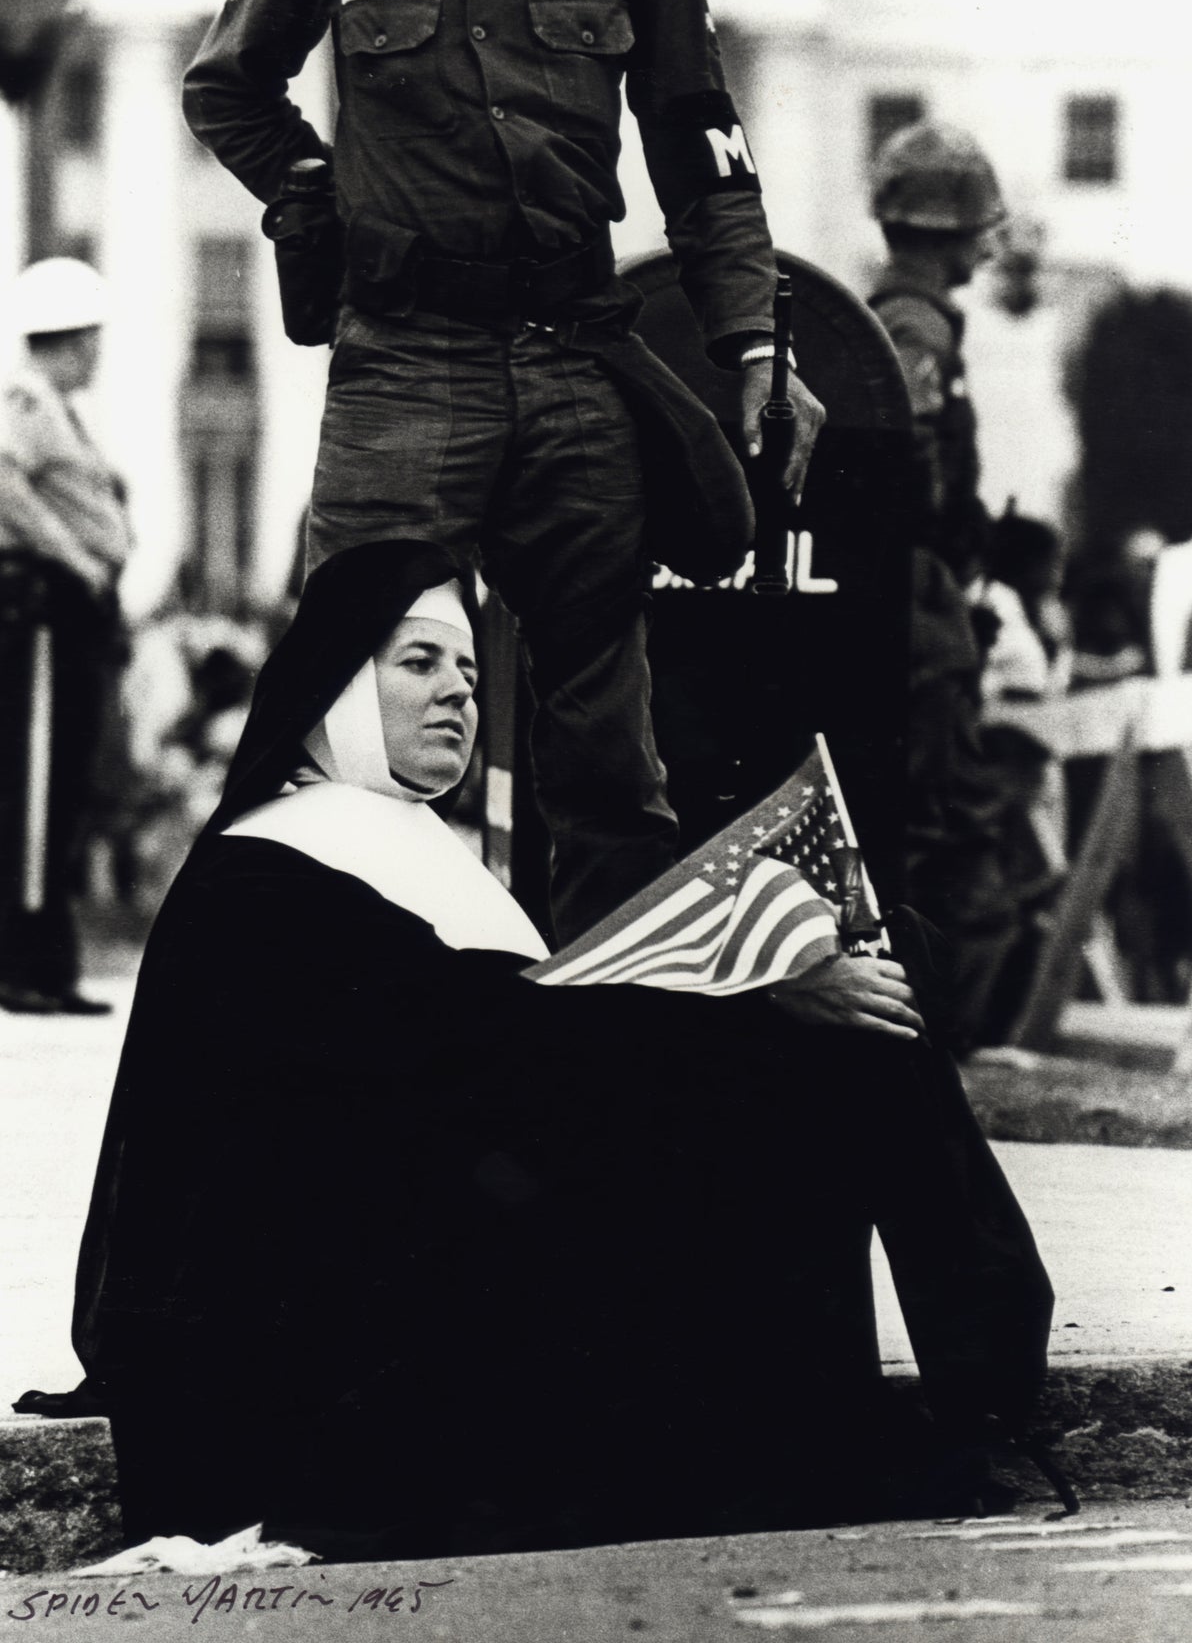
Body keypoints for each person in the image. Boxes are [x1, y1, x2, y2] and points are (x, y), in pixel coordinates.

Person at [69, 536, 1023, 1561]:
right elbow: (482, 1044)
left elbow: (510, 1049)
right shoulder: (267, 873)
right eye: (419, 663)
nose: (456, 697)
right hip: (319, 1336)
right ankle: (954, 1384)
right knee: (789, 1052)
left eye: (471, 674)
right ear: (338, 681)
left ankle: (966, 1374)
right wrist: (762, 1013)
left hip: (430, 1245)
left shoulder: (395, 843)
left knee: (858, 975)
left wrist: (757, 999)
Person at [181, 0, 823, 944]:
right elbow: (226, 84)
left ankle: (610, 1049)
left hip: (572, 359)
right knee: (356, 702)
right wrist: (312, 190)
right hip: (404, 365)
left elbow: (702, 149)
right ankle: (340, 1012)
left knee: (605, 743)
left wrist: (758, 343)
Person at [867, 124, 1026, 1050]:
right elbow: (912, 479)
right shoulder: (916, 326)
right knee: (948, 814)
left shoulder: (908, 320)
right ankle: (941, 1032)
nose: (983, 244)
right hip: (921, 605)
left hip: (926, 596)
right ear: (950, 232)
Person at [0, 256, 131, 1013]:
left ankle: (48, 964)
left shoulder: (56, 405)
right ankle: (23, 963)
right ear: (71, 337)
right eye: (92, 336)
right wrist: (76, 556)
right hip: (45, 607)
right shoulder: (26, 397)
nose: (98, 351)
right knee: (38, 784)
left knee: (68, 781)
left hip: (75, 610)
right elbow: (7, 484)